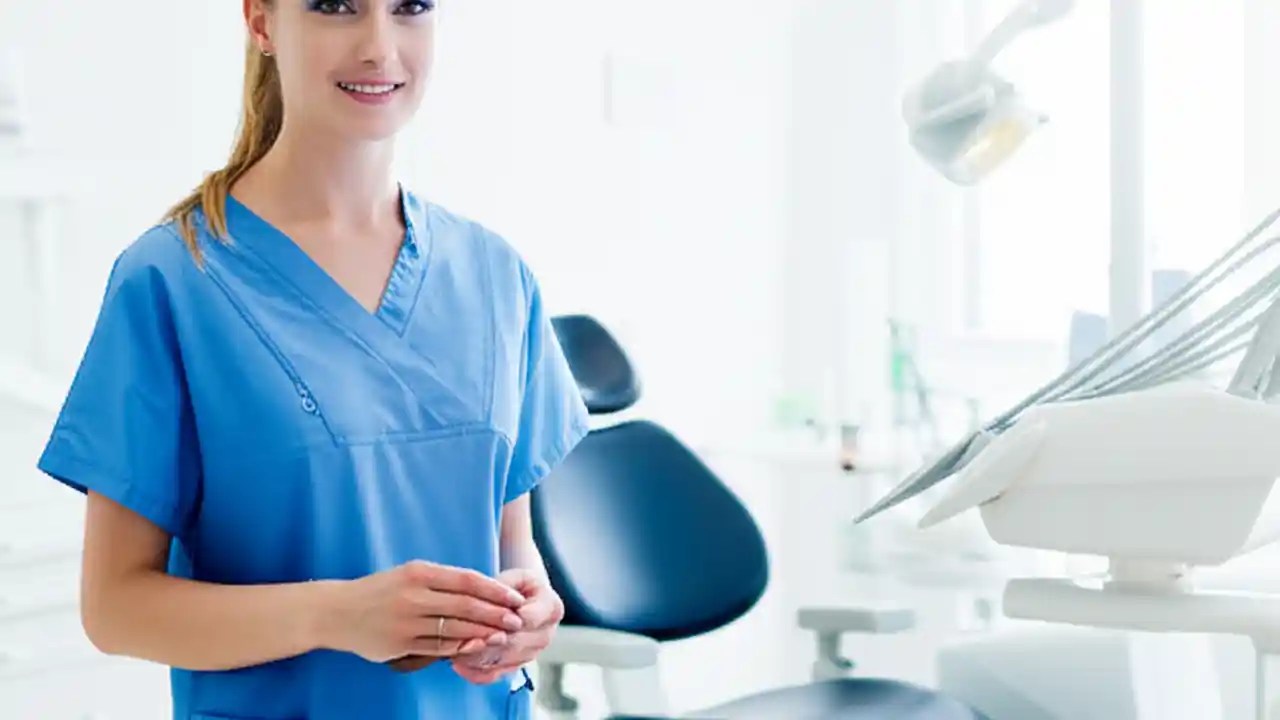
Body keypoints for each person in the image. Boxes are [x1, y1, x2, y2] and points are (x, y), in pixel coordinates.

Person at [34, 1, 590, 718]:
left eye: (411, 8)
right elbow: (114, 608)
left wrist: (528, 607)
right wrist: (336, 615)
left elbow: (513, 544)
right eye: (335, 6)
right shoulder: (175, 280)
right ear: (262, 22)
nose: (379, 46)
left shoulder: (495, 275)